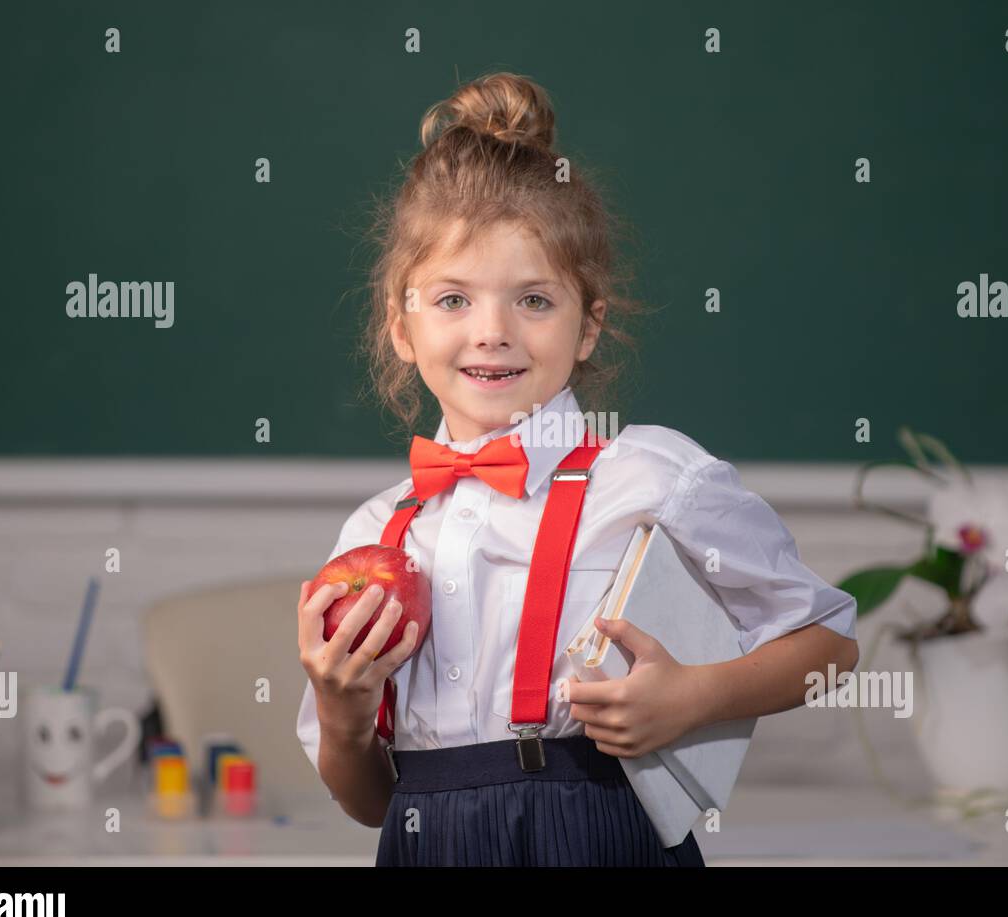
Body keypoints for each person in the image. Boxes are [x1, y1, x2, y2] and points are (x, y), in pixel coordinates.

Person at [295, 71, 859, 866]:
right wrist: (340, 708)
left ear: (589, 326)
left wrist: (694, 698)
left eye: (534, 300)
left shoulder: (650, 474)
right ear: (400, 326)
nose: (492, 333)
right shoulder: (378, 532)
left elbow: (829, 644)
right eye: (453, 300)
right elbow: (371, 805)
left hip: (600, 839)